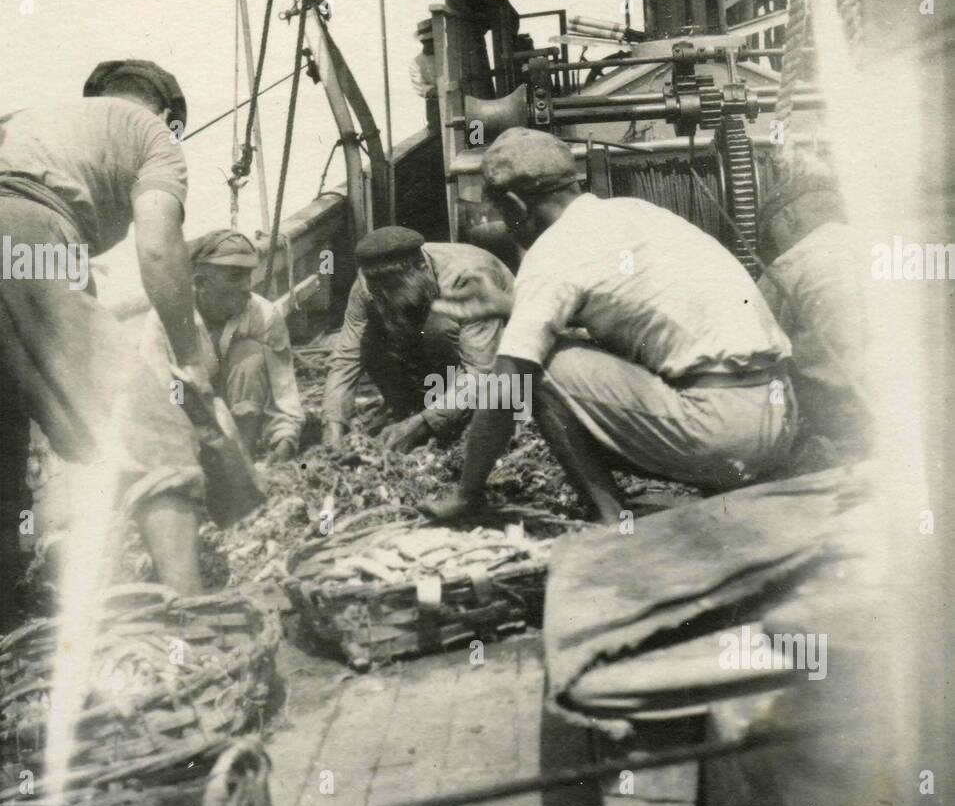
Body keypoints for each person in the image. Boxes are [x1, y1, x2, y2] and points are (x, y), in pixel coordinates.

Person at [421, 127, 796, 525]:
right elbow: (628, 308)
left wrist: (466, 493)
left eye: (502, 214)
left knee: (541, 370)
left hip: (719, 433)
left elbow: (508, 382)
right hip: (778, 420)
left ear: (515, 204)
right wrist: (509, 305)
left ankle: (612, 518)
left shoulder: (552, 252)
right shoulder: (635, 212)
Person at [0, 59, 209, 624]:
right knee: (146, 424)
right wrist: (189, 357)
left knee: (5, 444)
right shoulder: (154, 136)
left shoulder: (27, 121)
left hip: (23, 244)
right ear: (171, 117)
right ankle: (198, 628)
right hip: (22, 236)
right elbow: (160, 248)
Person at [321, 226, 514, 454]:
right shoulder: (367, 282)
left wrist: (423, 424)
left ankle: (443, 416)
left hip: (496, 364)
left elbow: (480, 372)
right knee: (369, 339)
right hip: (433, 367)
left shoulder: (468, 276)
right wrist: (333, 425)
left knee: (437, 329)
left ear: (422, 268)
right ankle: (409, 410)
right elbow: (346, 358)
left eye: (398, 293)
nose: (386, 299)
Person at [140, 229, 304, 462]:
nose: (247, 287)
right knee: (176, 383)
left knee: (250, 355)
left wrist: (286, 439)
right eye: (235, 277)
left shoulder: (264, 315)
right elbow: (158, 396)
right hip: (188, 421)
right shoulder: (162, 321)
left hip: (240, 416)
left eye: (248, 275)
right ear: (200, 283)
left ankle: (244, 459)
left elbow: (284, 391)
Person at [757, 158, 870, 462]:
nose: (774, 250)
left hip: (849, 433)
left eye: (771, 238)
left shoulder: (788, 266)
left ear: (788, 217)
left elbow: (754, 351)